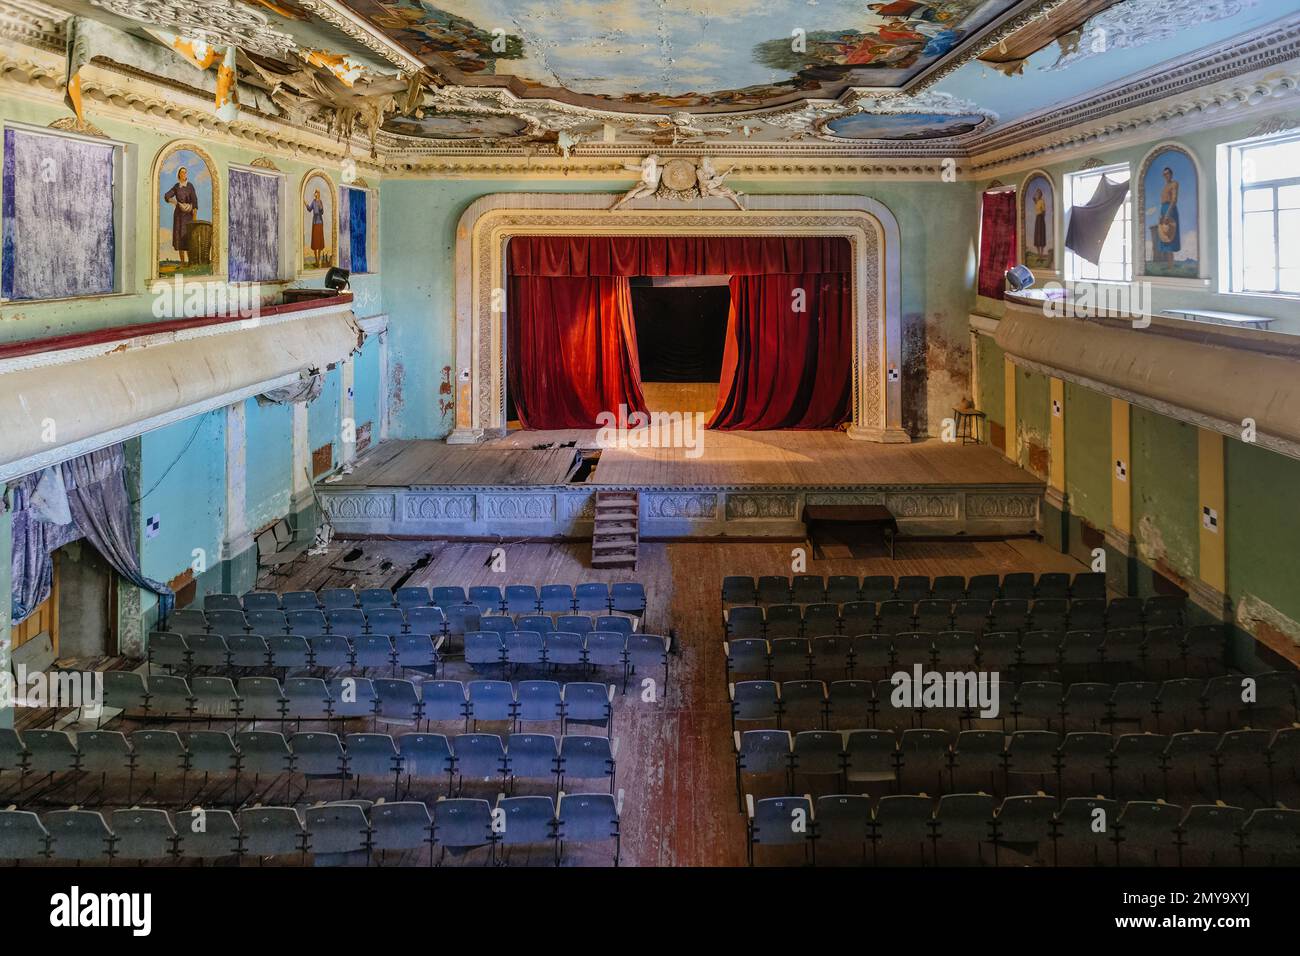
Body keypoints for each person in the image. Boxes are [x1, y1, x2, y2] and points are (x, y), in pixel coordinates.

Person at [163, 165, 197, 268]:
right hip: (178, 216)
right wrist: (173, 202)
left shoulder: (190, 186)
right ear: (179, 175)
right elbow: (167, 195)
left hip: (188, 215)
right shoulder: (176, 186)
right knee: (180, 239)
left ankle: (190, 263)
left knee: (188, 237)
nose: (183, 174)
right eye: (182, 172)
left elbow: (194, 200)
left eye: (185, 172)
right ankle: (182, 263)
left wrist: (194, 214)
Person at [1157, 166, 1181, 254]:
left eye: (1167, 173)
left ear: (1171, 174)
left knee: (1170, 233)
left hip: (1170, 209)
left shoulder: (1174, 184)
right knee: (1163, 233)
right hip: (1163, 209)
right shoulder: (1165, 187)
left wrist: (1168, 213)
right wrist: (1161, 214)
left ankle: (1171, 265)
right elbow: (1162, 201)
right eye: (1164, 174)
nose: (1166, 176)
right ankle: (1168, 265)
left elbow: (1174, 200)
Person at [305, 187, 326, 268]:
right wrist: (306, 203)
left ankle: (318, 260)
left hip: (320, 222)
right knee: (315, 241)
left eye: (317, 192)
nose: (316, 194)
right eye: (315, 192)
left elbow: (322, 212)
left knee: (320, 241)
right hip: (314, 222)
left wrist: (320, 205)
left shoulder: (320, 202)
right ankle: (316, 260)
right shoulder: (313, 202)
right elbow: (309, 209)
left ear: (319, 194)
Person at [1032, 187, 1048, 258]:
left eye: (1038, 193)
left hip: (1041, 218)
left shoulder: (1041, 201)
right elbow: (1033, 197)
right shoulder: (1037, 201)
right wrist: (1035, 193)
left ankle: (1041, 254)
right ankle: (1039, 254)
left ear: (1040, 194)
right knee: (1037, 236)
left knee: (1041, 235)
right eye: (1037, 193)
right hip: (1037, 218)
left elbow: (1044, 211)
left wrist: (1042, 217)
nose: (1037, 194)